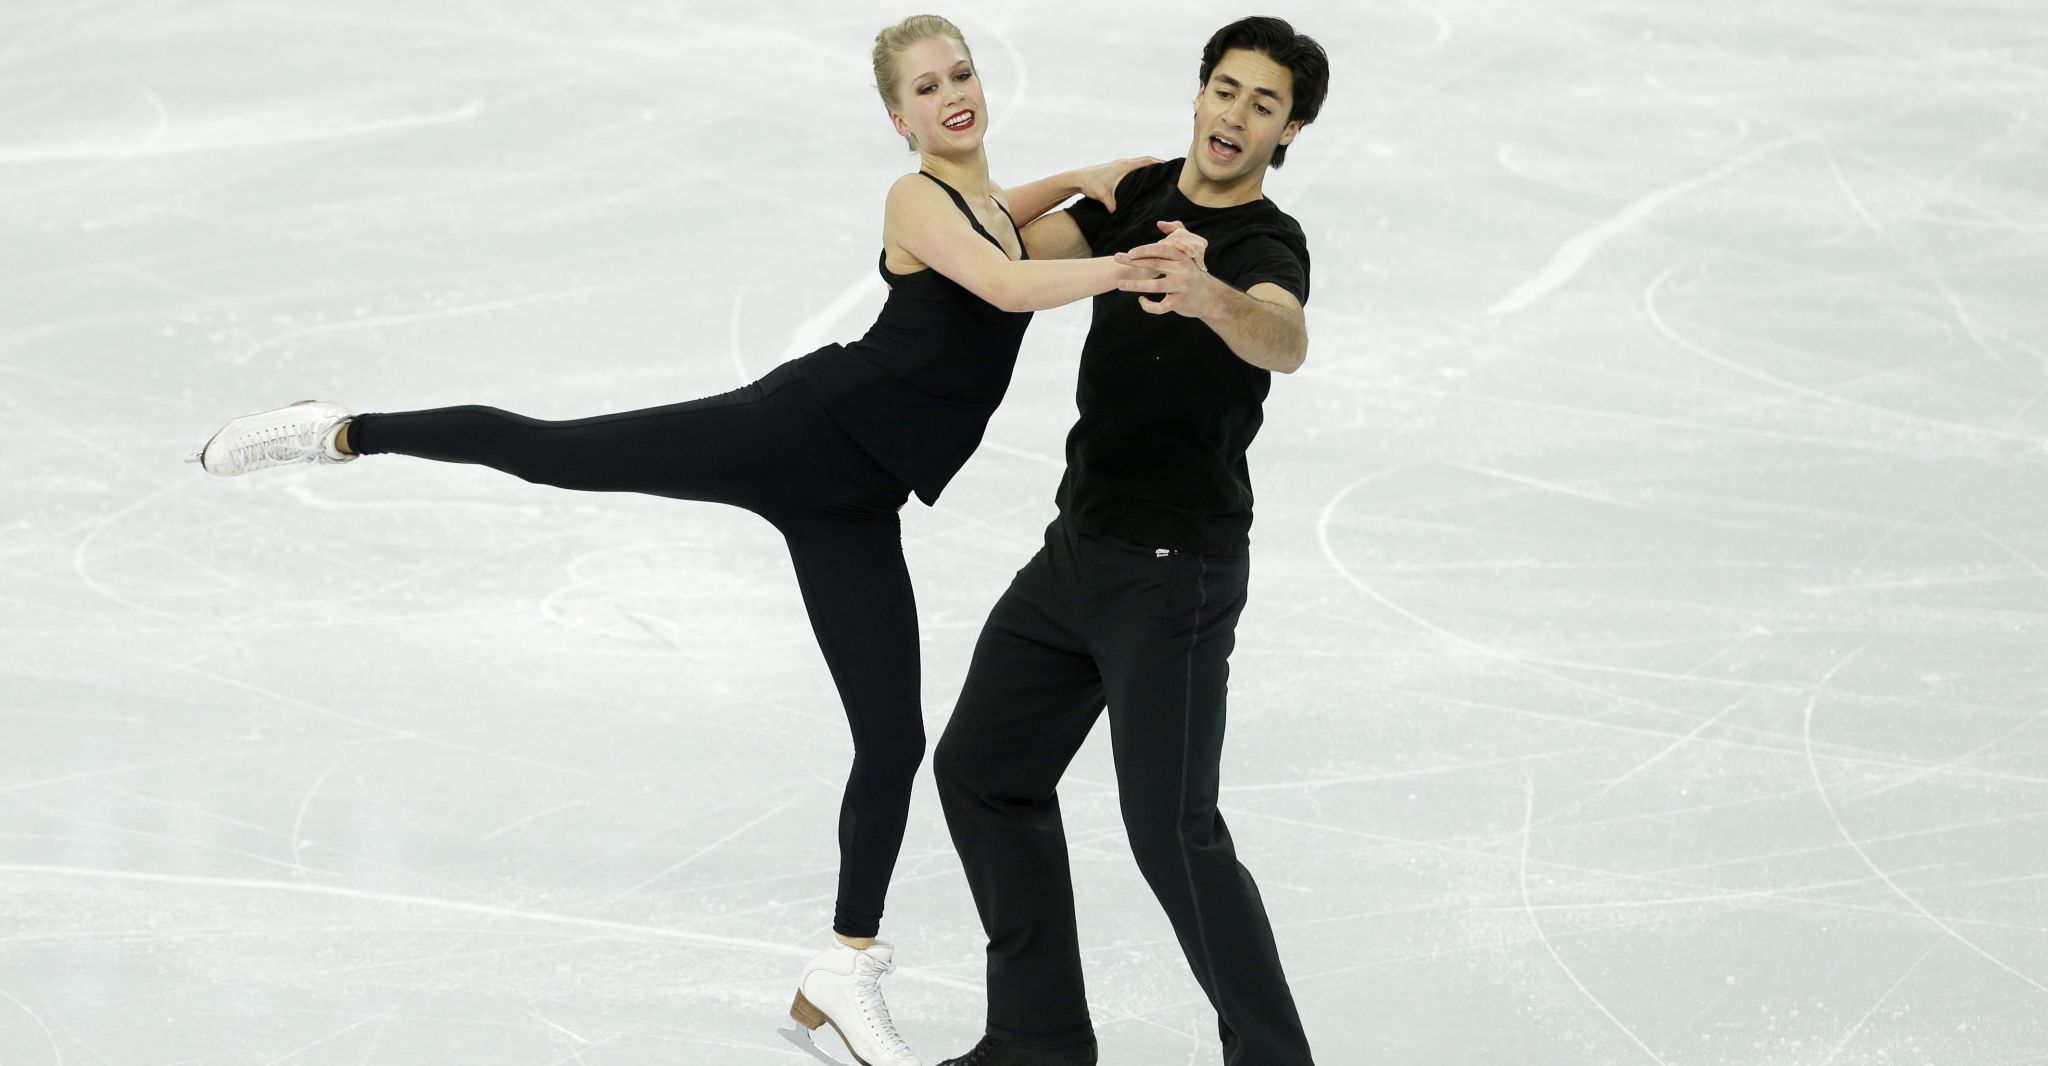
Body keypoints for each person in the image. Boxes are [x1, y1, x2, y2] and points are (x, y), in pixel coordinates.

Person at [185, 15, 1159, 1066]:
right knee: (549, 450)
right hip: (794, 433)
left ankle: (843, 964)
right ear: (897, 117)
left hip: (854, 504)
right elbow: (1012, 280)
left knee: (892, 738)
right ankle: (340, 430)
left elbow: (1027, 239)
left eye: (960, 73)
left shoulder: (983, 210)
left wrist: (1099, 185)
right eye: (925, 89)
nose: (951, 94)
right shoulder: (915, 200)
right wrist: (1106, 248)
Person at [928, 16, 1329, 1066]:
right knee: (982, 767)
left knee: (1172, 836)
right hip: (1076, 552)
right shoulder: (1141, 195)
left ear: (1287, 134)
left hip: (1174, 577)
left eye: (1264, 104)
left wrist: (1205, 295)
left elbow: (1282, 339)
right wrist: (1067, 180)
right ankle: (1039, 1035)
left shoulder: (1262, 246)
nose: (1236, 115)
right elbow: (1000, 257)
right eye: (1226, 90)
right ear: (1197, 94)